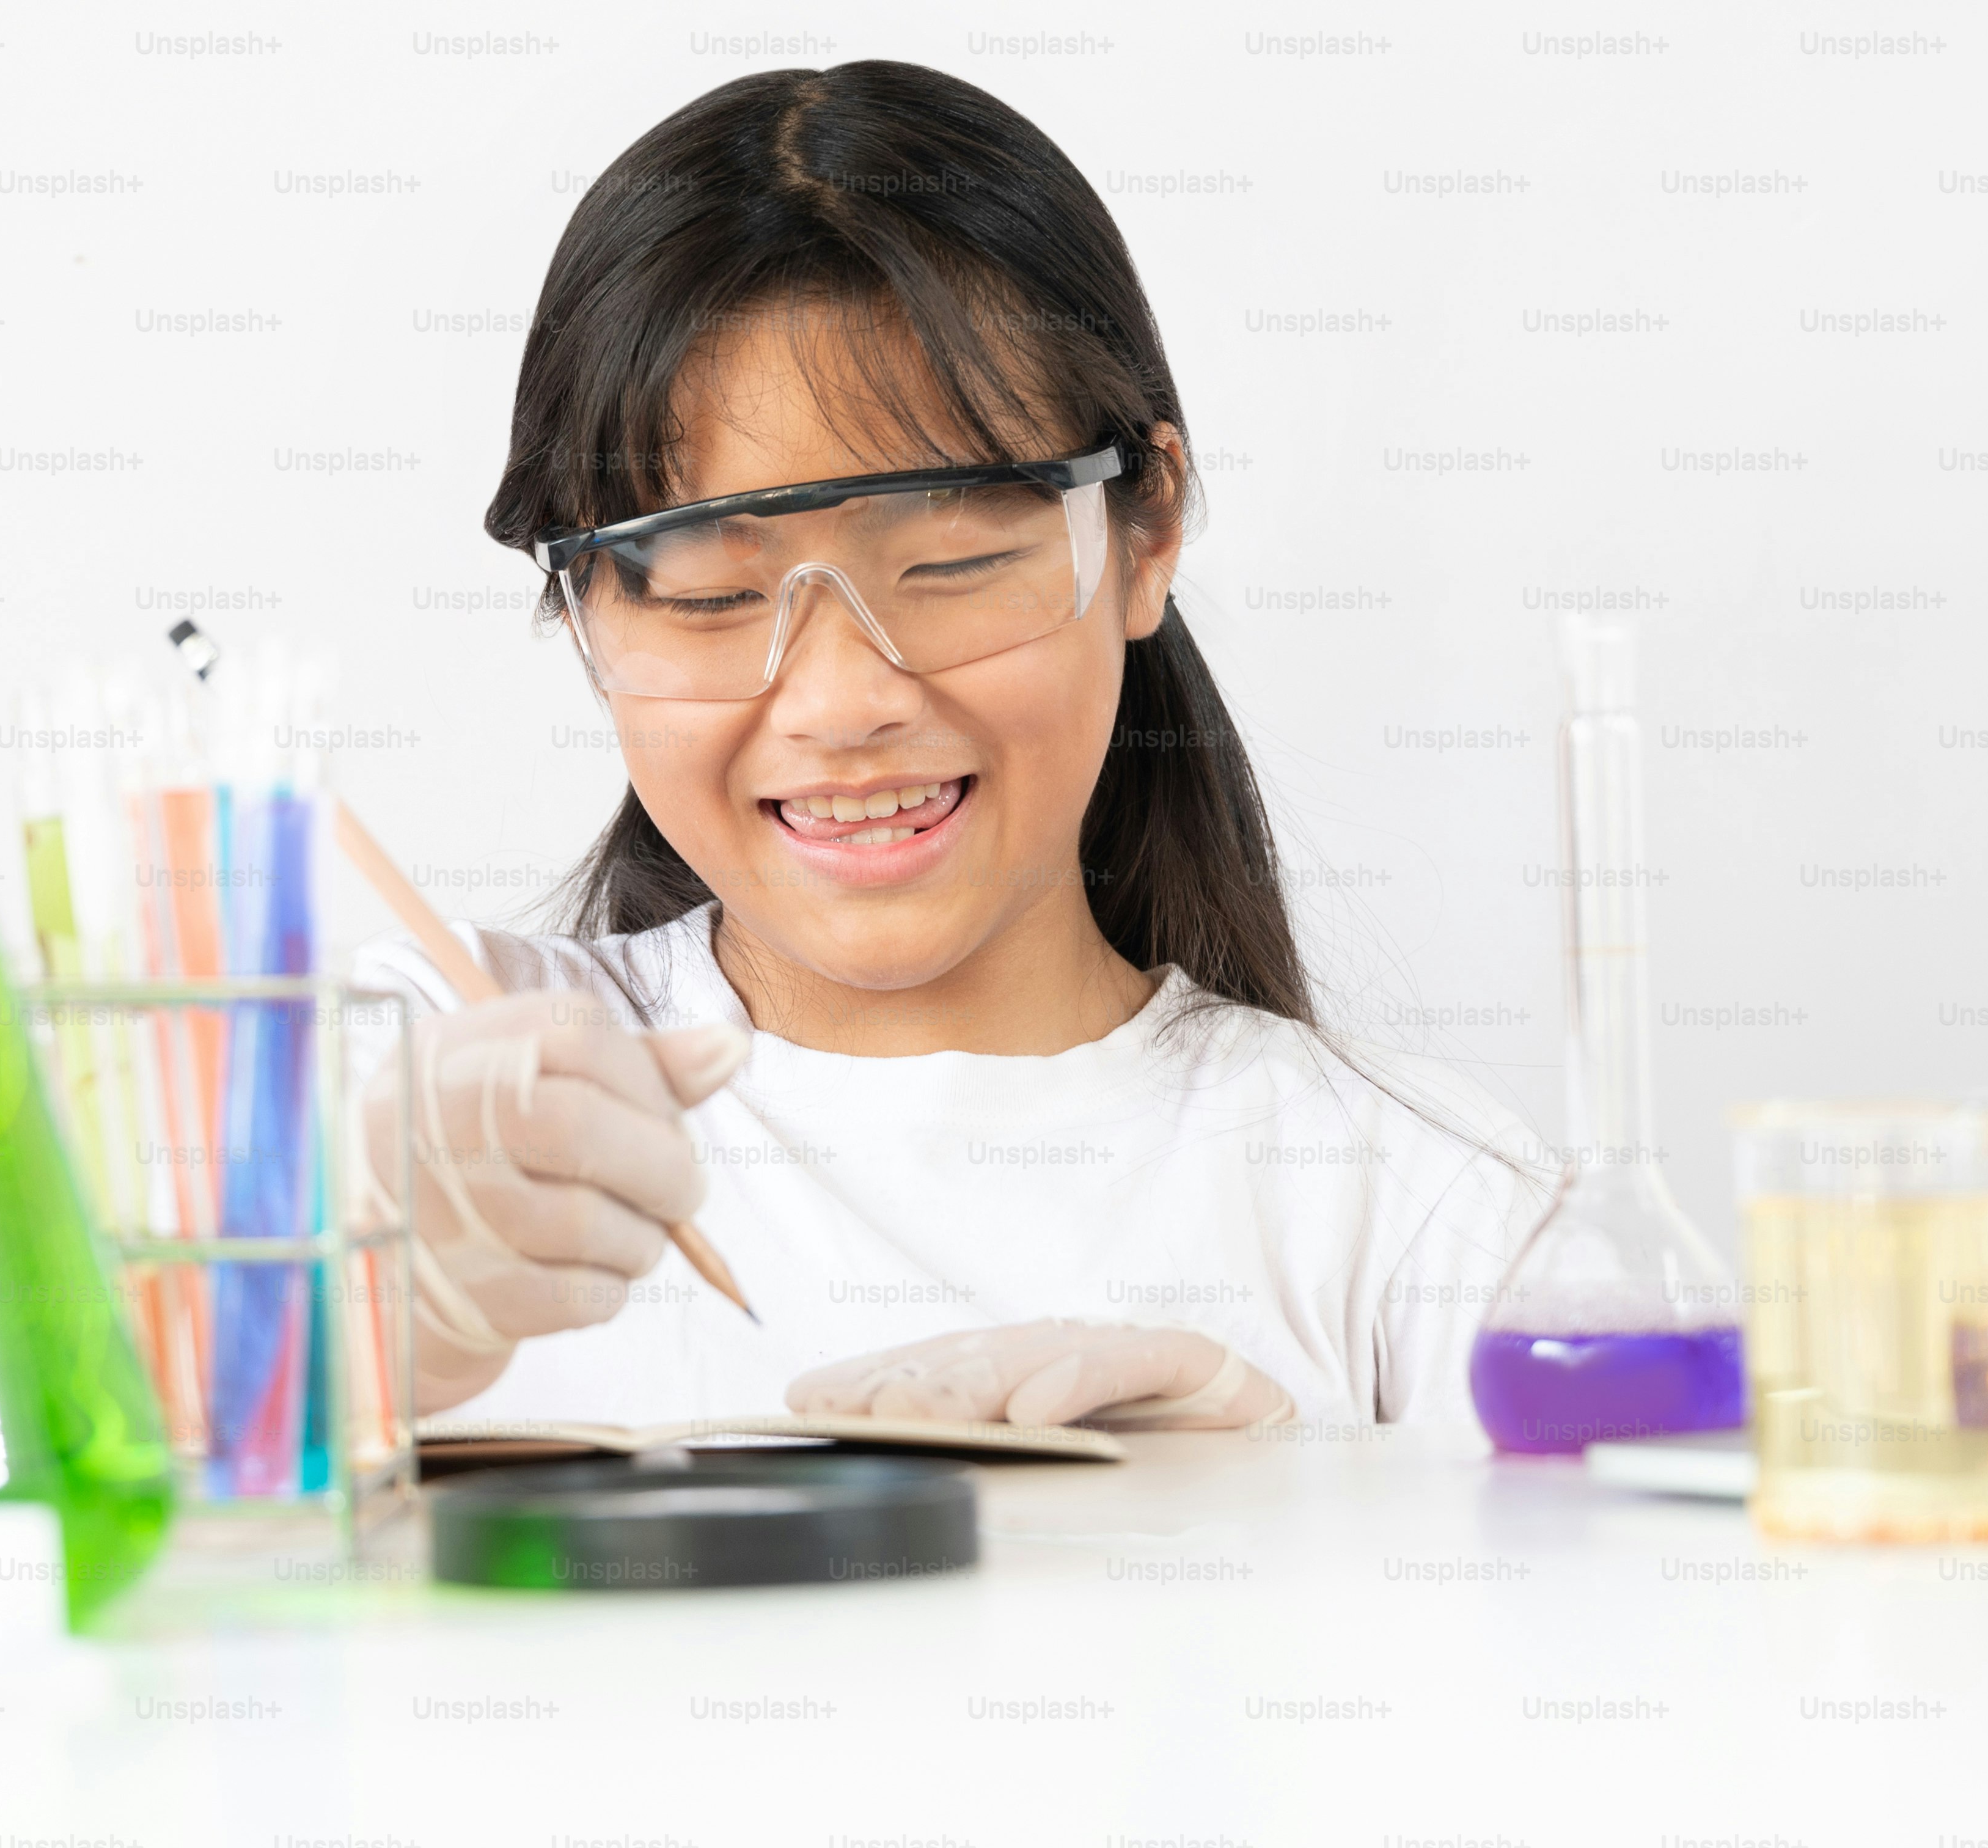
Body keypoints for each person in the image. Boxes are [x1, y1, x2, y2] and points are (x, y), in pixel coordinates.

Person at [360, 61, 1543, 1444]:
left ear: (1145, 531)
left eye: (950, 559)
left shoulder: (1418, 1215)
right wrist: (339, 1343)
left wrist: (1304, 1523)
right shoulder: (422, 1082)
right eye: (704, 589)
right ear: (581, 612)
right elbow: (83, 1523)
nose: (843, 697)